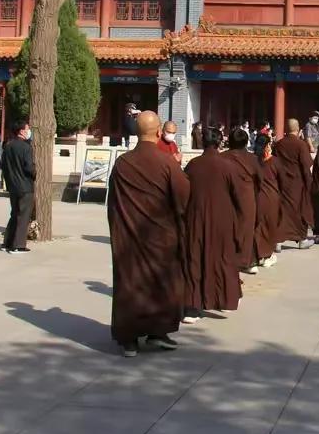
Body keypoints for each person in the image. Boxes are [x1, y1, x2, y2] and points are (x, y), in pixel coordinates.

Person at [107, 110, 189, 356]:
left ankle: (130, 340)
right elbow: (184, 196)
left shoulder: (123, 163)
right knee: (160, 284)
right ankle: (156, 332)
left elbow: (113, 201)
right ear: (157, 131)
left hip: (128, 235)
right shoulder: (166, 163)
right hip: (160, 237)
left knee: (130, 284)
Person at [184, 126, 240, 319]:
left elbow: (183, 191)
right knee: (222, 259)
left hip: (196, 218)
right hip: (222, 220)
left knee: (195, 259)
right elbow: (238, 195)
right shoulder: (228, 166)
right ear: (219, 142)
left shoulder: (193, 164)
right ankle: (222, 299)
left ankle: (192, 305)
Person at [223, 128, 262, 273]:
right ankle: (245, 262)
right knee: (246, 230)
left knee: (228, 228)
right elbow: (260, 179)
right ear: (246, 142)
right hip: (246, 197)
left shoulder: (223, 157)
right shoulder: (252, 159)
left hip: (225, 196)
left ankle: (227, 259)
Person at [274, 118, 314, 249]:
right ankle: (302, 240)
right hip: (298, 183)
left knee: (281, 211)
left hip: (281, 182)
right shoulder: (301, 144)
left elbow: (273, 162)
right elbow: (306, 164)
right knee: (299, 210)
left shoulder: (279, 144)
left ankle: (277, 242)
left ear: (286, 129)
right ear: (298, 130)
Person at [1, 120, 36, 254]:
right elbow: (29, 168)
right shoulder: (26, 148)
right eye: (27, 129)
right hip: (25, 186)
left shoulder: (8, 146)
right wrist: (35, 172)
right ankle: (18, 245)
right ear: (21, 131)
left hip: (12, 186)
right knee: (23, 216)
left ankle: (7, 243)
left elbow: (4, 166)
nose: (28, 131)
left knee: (14, 214)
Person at [254, 139, 281, 268]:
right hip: (271, 197)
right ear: (267, 146)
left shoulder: (254, 161)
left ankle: (258, 255)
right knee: (269, 227)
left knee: (258, 227)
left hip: (256, 197)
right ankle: (267, 255)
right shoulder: (274, 161)